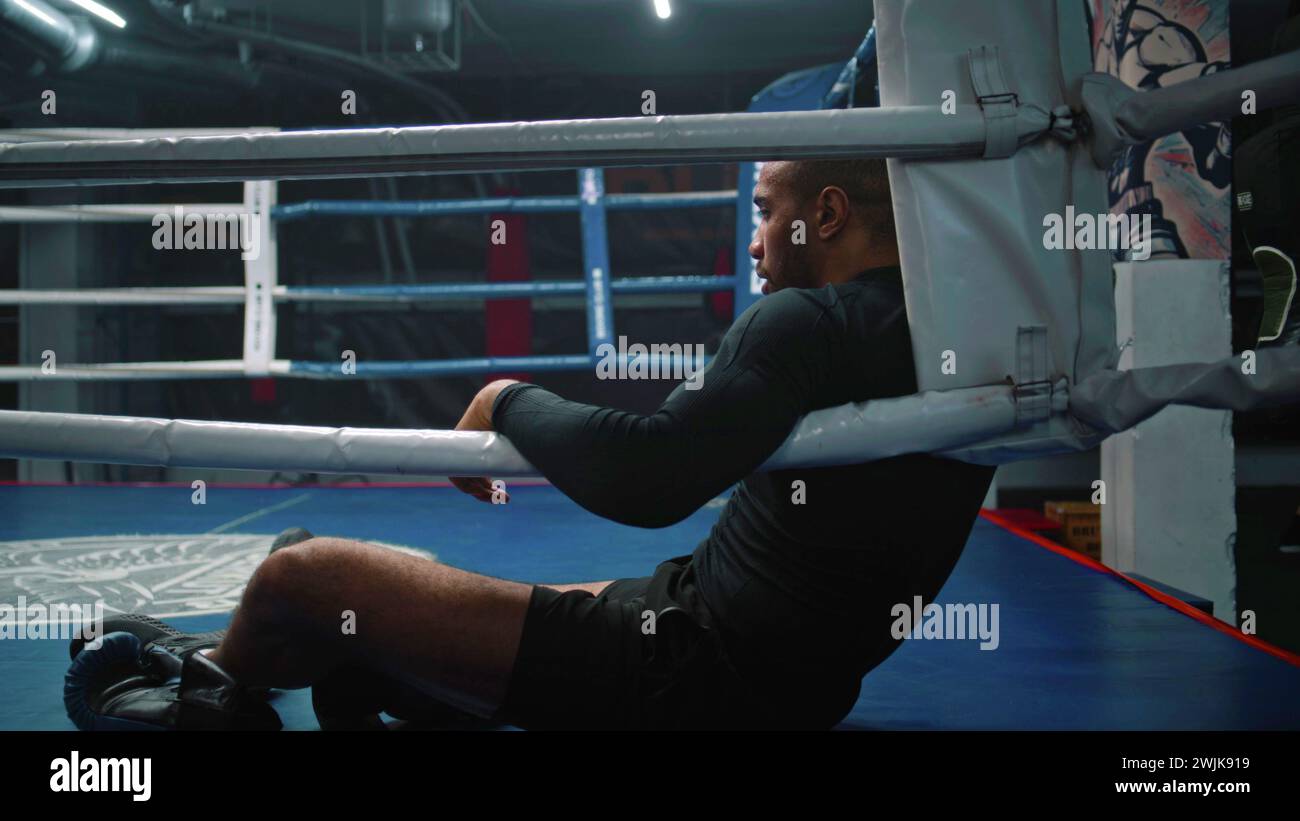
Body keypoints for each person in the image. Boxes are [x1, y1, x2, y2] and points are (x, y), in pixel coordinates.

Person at [66, 159, 996, 731]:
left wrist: (506, 395)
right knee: (353, 603)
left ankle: (210, 700)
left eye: (766, 209)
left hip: (689, 675)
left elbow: (651, 471)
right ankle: (260, 661)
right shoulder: (952, 332)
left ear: (827, 215)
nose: (754, 242)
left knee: (300, 575)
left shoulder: (806, 322)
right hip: (750, 659)